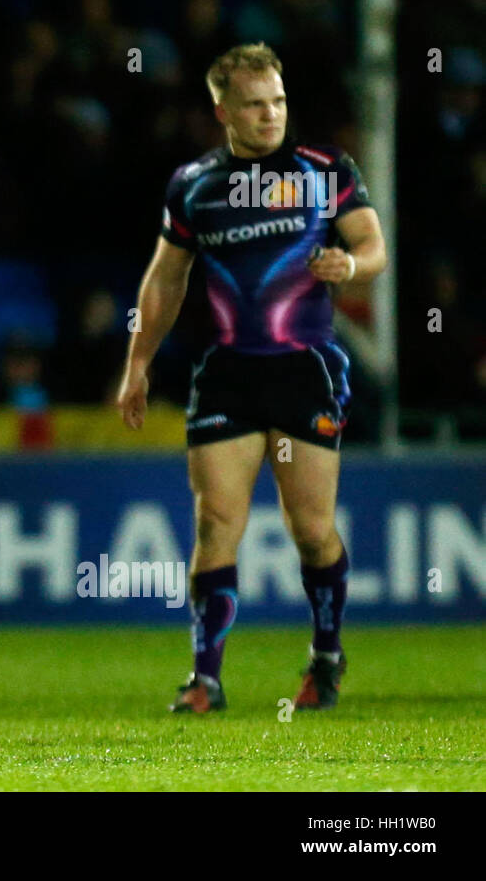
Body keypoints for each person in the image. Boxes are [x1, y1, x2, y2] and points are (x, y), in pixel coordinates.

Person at [116, 42, 387, 714]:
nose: (271, 115)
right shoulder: (195, 185)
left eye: (279, 101)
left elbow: (374, 245)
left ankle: (326, 654)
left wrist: (350, 270)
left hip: (306, 370)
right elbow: (166, 278)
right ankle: (205, 677)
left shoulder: (327, 170)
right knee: (216, 524)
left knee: (312, 529)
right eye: (256, 104)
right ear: (223, 109)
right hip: (228, 375)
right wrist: (137, 364)